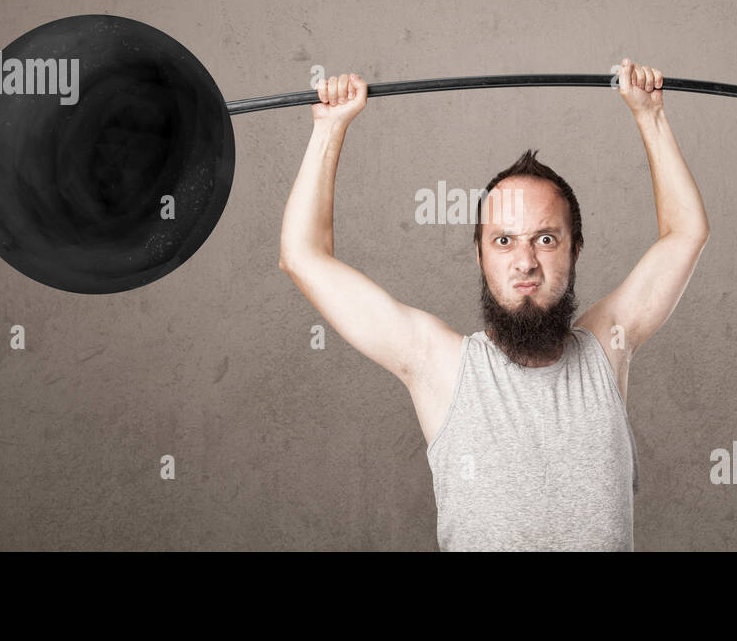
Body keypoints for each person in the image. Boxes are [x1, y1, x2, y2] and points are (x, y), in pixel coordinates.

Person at [279, 59, 709, 550]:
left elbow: (685, 234)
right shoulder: (438, 365)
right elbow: (302, 256)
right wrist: (330, 128)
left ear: (575, 248)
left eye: (545, 239)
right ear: (480, 255)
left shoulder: (608, 346)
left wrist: (650, 116)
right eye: (504, 242)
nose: (525, 262)